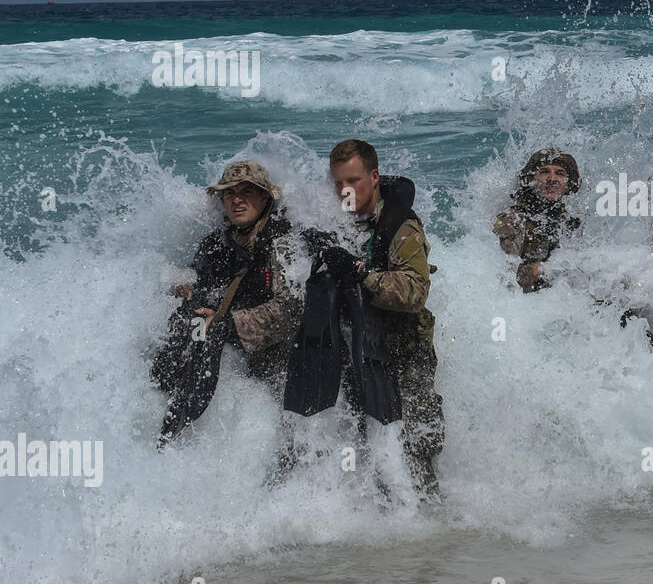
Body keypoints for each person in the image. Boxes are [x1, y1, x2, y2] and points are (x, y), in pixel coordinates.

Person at [302, 139, 444, 499]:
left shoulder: (402, 226)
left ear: (375, 177)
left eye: (353, 181)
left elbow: (414, 292)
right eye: (337, 183)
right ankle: (375, 537)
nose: (344, 191)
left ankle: (433, 529)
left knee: (415, 449)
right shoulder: (337, 219)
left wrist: (359, 272)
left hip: (405, 349)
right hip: (360, 350)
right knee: (364, 444)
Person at [153, 161, 300, 445]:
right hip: (233, 346)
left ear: (265, 197)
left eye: (247, 192)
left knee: (211, 331)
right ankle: (160, 408)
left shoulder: (283, 243)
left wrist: (229, 323)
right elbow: (196, 279)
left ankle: (174, 435)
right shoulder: (217, 242)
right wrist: (185, 291)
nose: (237, 200)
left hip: (276, 359)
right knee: (186, 320)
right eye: (229, 194)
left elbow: (291, 310)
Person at [493, 147, 581, 292]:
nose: (552, 179)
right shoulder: (511, 220)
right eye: (545, 171)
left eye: (560, 173)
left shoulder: (571, 220)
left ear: (569, 184)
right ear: (530, 179)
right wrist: (544, 268)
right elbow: (505, 275)